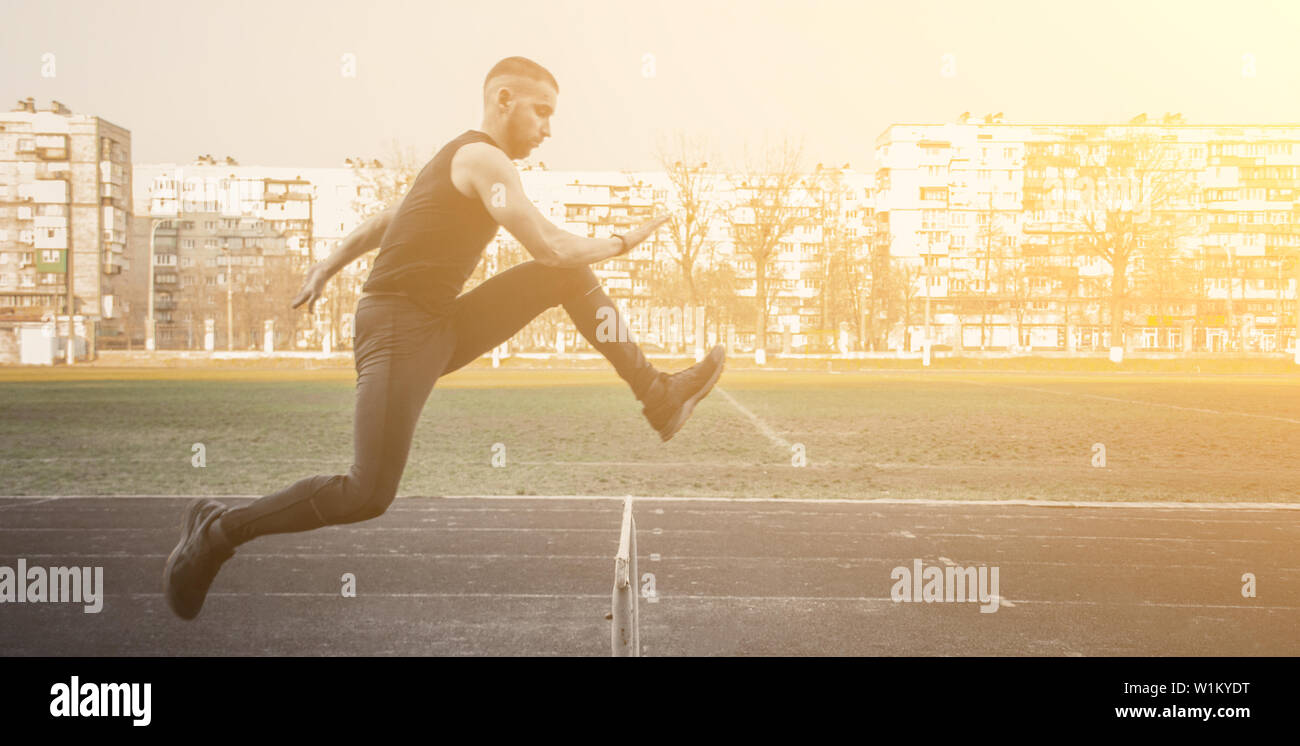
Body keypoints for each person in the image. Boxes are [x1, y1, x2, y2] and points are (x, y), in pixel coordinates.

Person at [163, 56, 725, 620]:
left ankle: (658, 395)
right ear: (503, 99)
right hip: (398, 328)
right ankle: (216, 535)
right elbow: (550, 245)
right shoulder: (483, 158)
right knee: (367, 493)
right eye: (542, 112)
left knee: (567, 277)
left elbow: (387, 220)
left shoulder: (462, 163)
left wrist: (327, 265)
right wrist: (625, 240)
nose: (548, 129)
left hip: (440, 323)